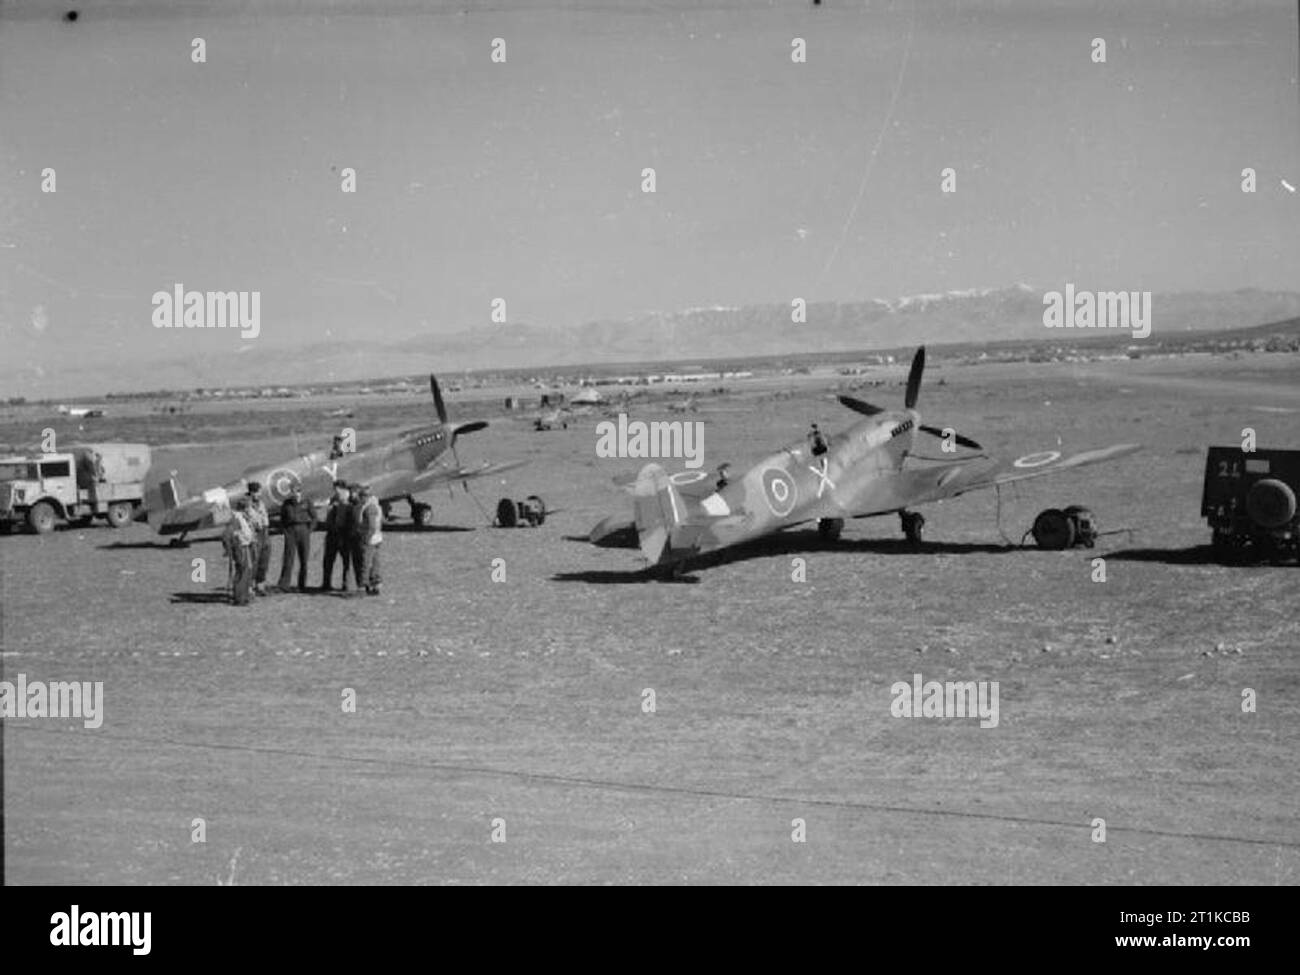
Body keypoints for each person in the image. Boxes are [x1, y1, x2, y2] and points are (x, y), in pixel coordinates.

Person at [276, 484, 317, 592]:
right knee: (288, 558)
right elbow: (282, 518)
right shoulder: (287, 503)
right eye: (293, 491)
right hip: (291, 530)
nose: (295, 493)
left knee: (304, 558)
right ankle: (284, 584)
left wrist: (309, 530)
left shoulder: (307, 502)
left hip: (303, 529)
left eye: (297, 491)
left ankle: (302, 584)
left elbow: (314, 517)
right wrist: (285, 531)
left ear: (301, 492)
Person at [321, 480, 354, 591]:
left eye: (336, 489)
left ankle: (346, 584)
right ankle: (326, 583)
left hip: (344, 534)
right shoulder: (334, 500)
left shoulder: (350, 500)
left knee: (346, 561)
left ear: (342, 489)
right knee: (328, 560)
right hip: (332, 533)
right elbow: (328, 517)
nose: (335, 491)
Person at [222, 497, 255, 606]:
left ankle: (244, 596)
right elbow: (226, 535)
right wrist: (228, 549)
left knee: (246, 571)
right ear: (244, 508)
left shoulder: (242, 517)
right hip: (240, 548)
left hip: (244, 547)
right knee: (241, 572)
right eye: (249, 507)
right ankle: (239, 598)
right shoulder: (235, 519)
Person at [356, 484, 383, 596]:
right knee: (375, 563)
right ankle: (376, 586)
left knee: (366, 564)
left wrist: (366, 539)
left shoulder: (369, 508)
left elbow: (371, 526)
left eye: (360, 496)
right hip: (377, 538)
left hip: (370, 539)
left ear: (364, 496)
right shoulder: (376, 505)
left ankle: (362, 587)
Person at [245, 481, 271, 595]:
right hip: (254, 535)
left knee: (264, 561)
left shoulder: (261, 503)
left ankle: (260, 585)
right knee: (253, 563)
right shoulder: (246, 505)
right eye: (257, 492)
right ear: (251, 492)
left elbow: (265, 518)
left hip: (264, 534)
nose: (259, 494)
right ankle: (249, 586)